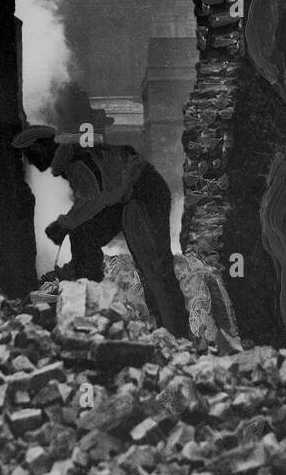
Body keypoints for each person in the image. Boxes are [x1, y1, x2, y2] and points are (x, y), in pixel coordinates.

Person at [12, 123, 191, 338]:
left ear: (42, 146)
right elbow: (95, 198)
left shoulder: (76, 160)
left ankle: (177, 333)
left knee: (155, 266)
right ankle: (94, 301)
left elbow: (95, 199)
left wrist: (65, 224)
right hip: (127, 195)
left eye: (30, 153)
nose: (29, 160)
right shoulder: (72, 157)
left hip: (143, 193)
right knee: (85, 236)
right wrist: (68, 224)